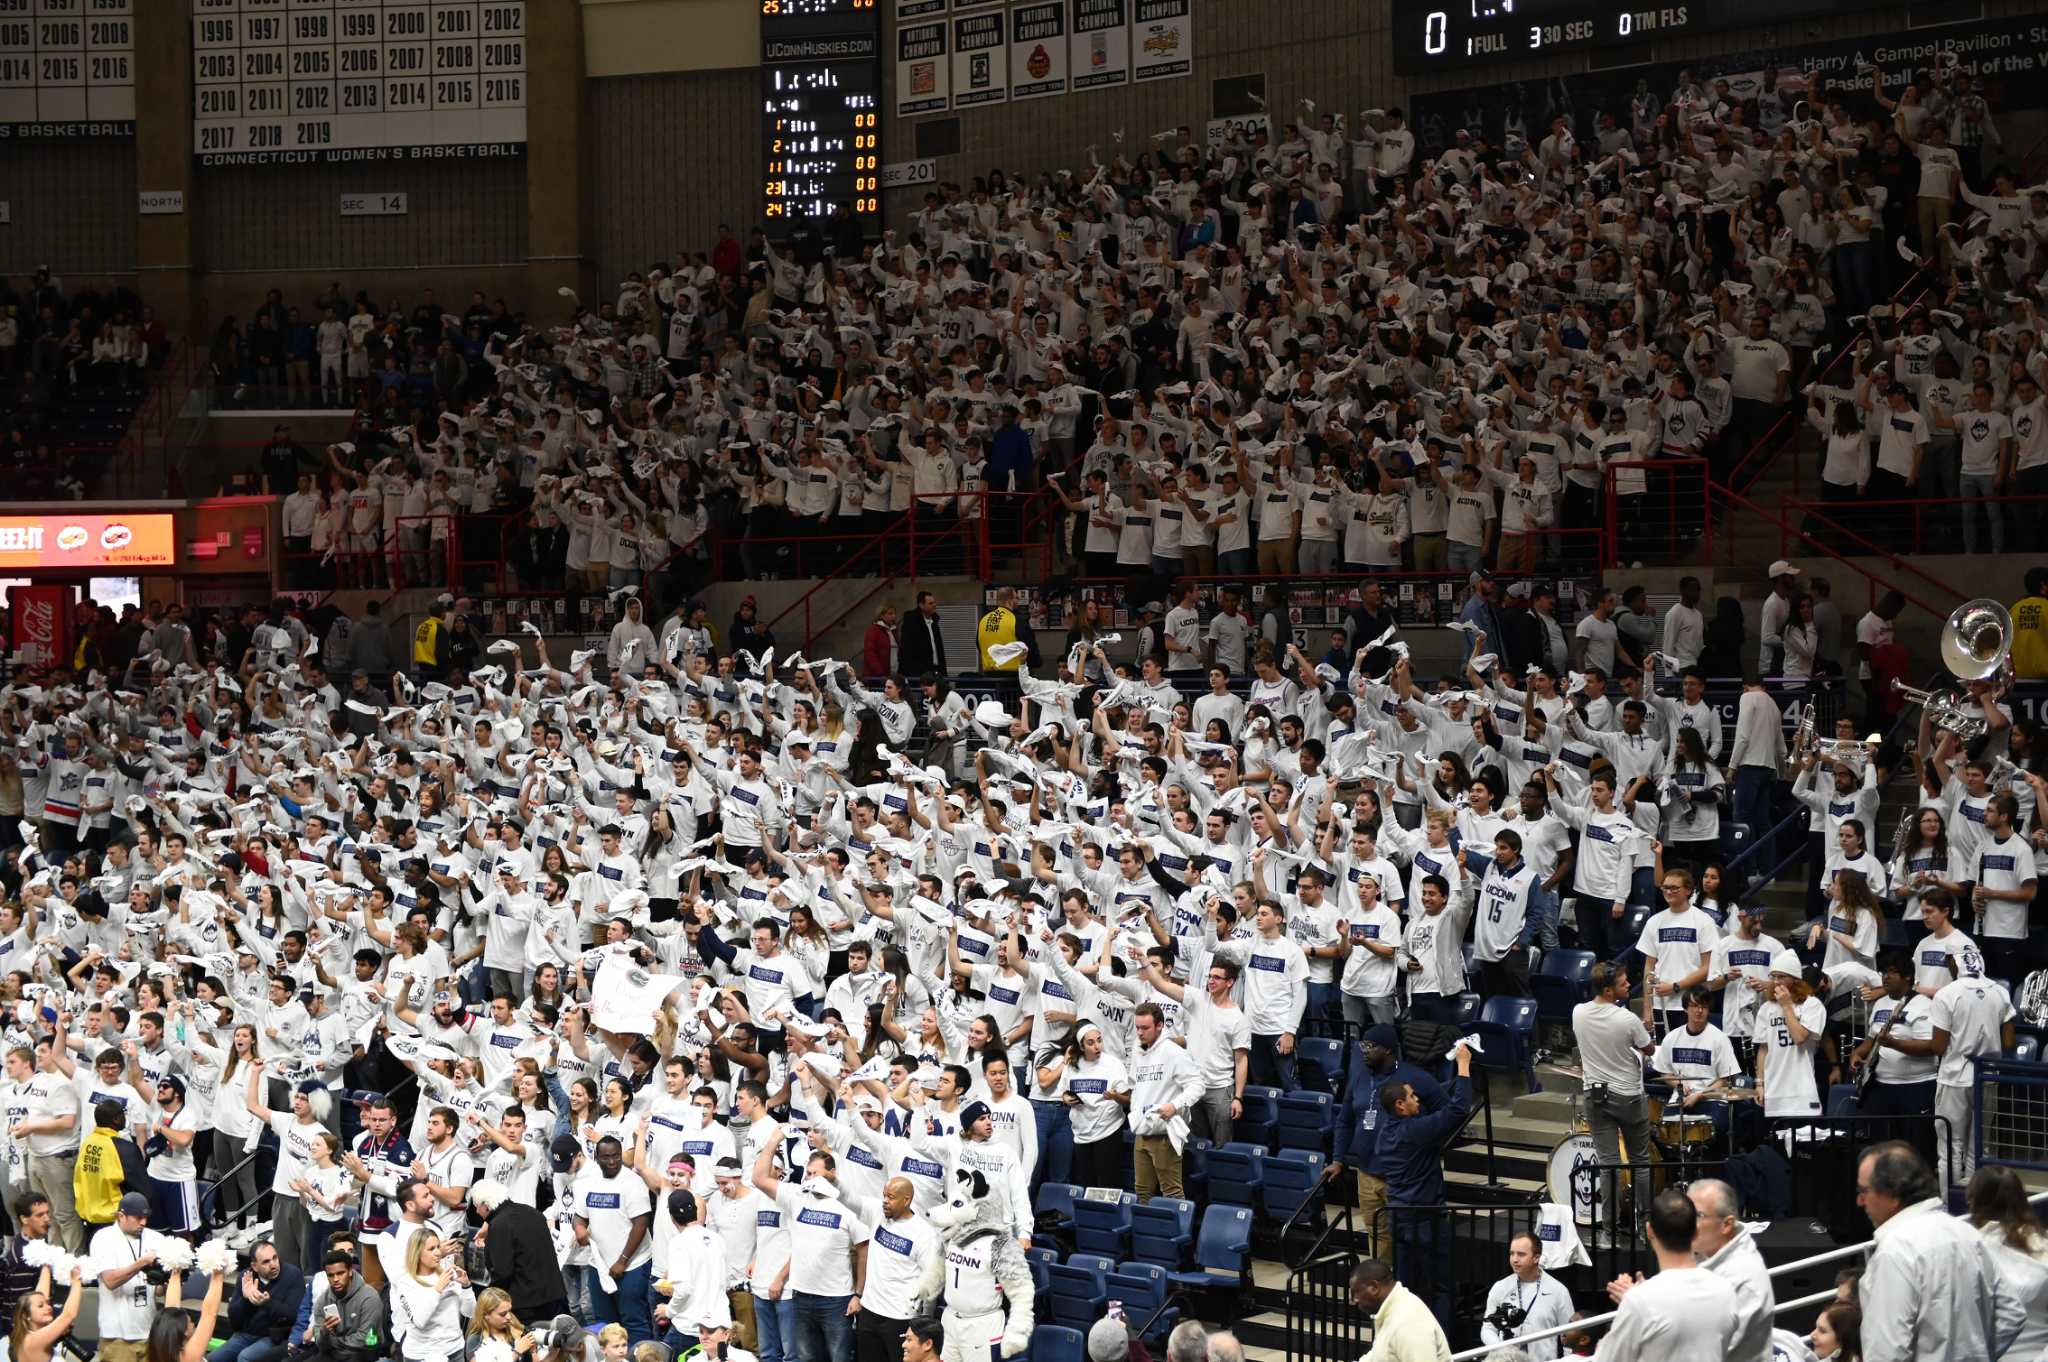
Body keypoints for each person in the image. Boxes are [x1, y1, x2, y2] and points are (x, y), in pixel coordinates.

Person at [1857, 1141, 2025, 1362]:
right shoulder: (1967, 1234)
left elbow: (1886, 1353)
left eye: (1864, 1191)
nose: (1860, 1201)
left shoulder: (1896, 1252)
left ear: (1893, 1195)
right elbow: (2012, 1314)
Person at [1376, 1042, 1473, 1325]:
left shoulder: (1384, 1134)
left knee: (1406, 1289)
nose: (1418, 1099)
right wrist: (1464, 1066)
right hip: (1424, 1219)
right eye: (1412, 1096)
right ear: (1400, 1105)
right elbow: (1458, 1110)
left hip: (1398, 1217)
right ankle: (1440, 1348)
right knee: (1442, 1287)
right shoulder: (1415, 1131)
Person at [1591, 1189, 1738, 1361]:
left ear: (1649, 1230)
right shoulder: (1725, 1289)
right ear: (1696, 1232)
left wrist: (1635, 1303)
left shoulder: (1640, 1301)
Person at [1571, 963, 1654, 1229]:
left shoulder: (1578, 1012)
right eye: (1623, 982)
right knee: (1640, 1161)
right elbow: (1649, 1049)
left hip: (1595, 1096)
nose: (1629, 985)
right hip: (1628, 1096)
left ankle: (1609, 1228)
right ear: (1608, 991)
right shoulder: (1627, 1019)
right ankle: (1645, 1223)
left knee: (1608, 1165)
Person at [573, 1136, 656, 1347]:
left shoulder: (632, 1182)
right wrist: (580, 1228)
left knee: (633, 1320)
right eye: (606, 1157)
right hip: (598, 1264)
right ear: (596, 1157)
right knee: (606, 1324)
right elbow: (579, 1215)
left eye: (616, 1157)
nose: (612, 1162)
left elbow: (641, 1223)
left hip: (632, 1264)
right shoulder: (587, 1182)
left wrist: (623, 1260)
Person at [93, 1191, 176, 1362]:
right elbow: (110, 1281)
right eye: (138, 1218)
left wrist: (168, 1280)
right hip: (117, 1337)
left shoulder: (157, 1238)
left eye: (146, 1218)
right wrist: (141, 1263)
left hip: (149, 1332)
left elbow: (159, 1291)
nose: (143, 1223)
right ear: (121, 1216)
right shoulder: (103, 1238)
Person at [474, 1177, 569, 1325]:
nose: (476, 1211)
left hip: (526, 1304)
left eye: (477, 1206)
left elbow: (502, 1271)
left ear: (486, 1205)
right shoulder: (533, 1212)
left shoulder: (499, 1224)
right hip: (554, 1296)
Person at [1478, 1233, 1572, 1361]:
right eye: (1512, 1253)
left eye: (1521, 1254)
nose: (1514, 1259)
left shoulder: (1558, 1291)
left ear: (1536, 1258)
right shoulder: (1500, 1287)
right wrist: (1502, 1350)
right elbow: (1487, 1329)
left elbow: (1569, 1336)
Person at [213, 1240, 308, 1362]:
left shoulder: (292, 1274)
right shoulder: (246, 1277)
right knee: (214, 1359)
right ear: (254, 1266)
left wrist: (267, 1303)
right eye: (266, 1262)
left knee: (244, 1358)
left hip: (275, 1336)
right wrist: (244, 1299)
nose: (274, 1265)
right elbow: (234, 1322)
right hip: (247, 1334)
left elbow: (294, 1316)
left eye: (275, 1258)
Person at [392, 1231, 476, 1362]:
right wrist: (437, 1290)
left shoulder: (447, 1273)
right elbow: (419, 1321)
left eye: (438, 1247)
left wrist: (466, 1286)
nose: (438, 1252)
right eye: (431, 1249)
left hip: (455, 1350)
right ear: (417, 1253)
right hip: (422, 1355)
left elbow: (470, 1312)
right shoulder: (406, 1283)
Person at [1347, 1258, 1449, 1362]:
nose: (1354, 1300)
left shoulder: (1408, 1324)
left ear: (1374, 1287)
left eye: (1356, 1292)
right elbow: (1380, 1354)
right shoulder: (1393, 1307)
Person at [300, 1250, 387, 1362]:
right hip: (334, 1354)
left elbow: (366, 1339)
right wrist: (324, 1332)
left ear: (350, 1271)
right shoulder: (322, 1301)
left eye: (340, 1273)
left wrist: (334, 1342)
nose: (335, 1279)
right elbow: (321, 1345)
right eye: (330, 1275)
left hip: (364, 1353)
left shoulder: (369, 1297)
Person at [8, 1258, 84, 1362]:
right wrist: (76, 1280)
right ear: (26, 1315)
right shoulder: (32, 1341)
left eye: (48, 1304)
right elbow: (69, 1315)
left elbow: (40, 1295)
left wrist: (46, 1265)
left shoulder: (29, 1333)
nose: (48, 1307)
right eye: (41, 1306)